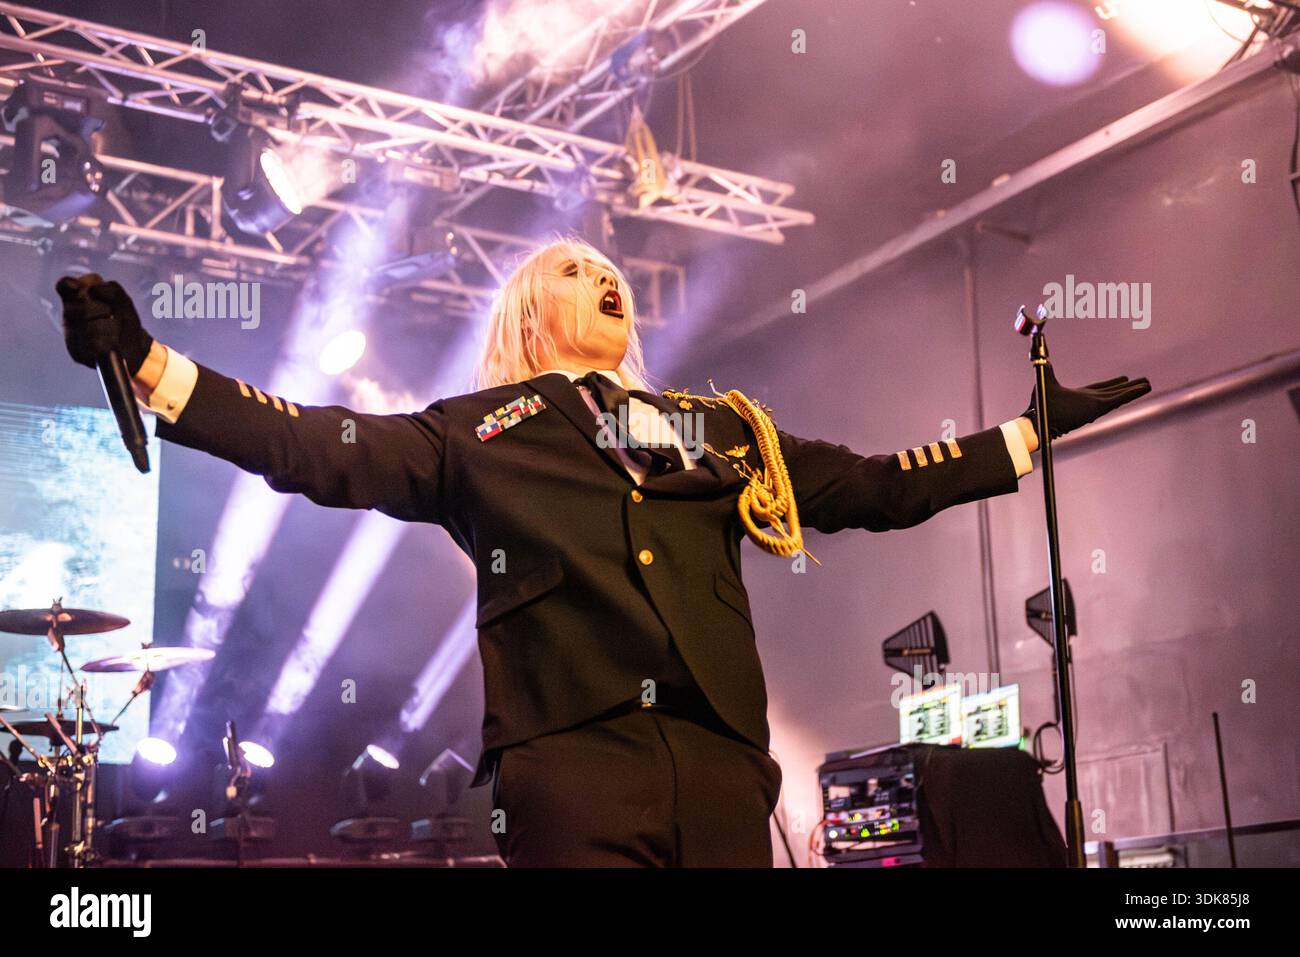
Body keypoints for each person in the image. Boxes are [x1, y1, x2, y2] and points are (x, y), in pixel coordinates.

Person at [56, 237, 1149, 866]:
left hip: (721, 765)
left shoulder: (719, 429)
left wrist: (1023, 434)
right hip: (572, 765)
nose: (603, 276)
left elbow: (871, 487)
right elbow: (313, 443)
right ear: (535, 315)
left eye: (610, 267)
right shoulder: (478, 432)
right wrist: (150, 362)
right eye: (576, 268)